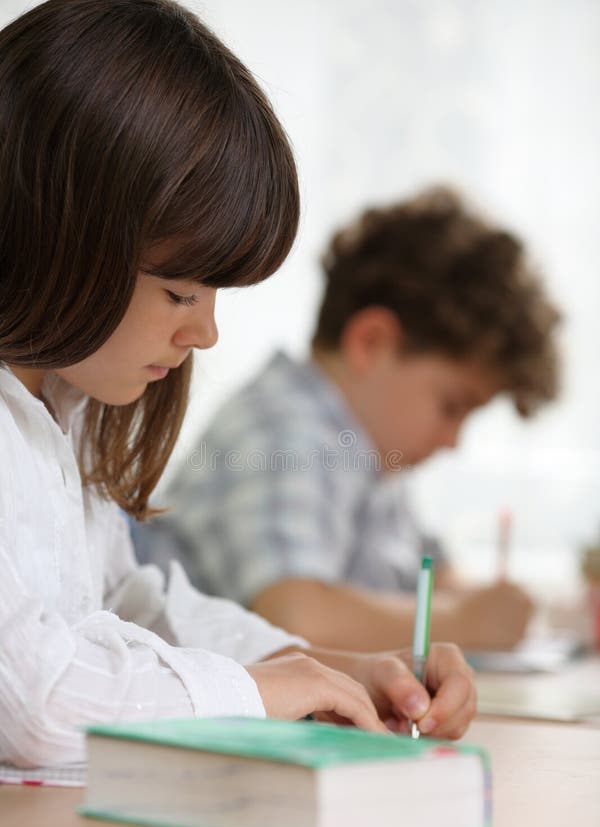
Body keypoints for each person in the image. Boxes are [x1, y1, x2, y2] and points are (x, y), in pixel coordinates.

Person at [0, 0, 476, 768]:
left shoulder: (67, 408)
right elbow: (32, 699)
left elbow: (127, 606)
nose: (205, 333)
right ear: (59, 235)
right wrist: (252, 693)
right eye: (182, 293)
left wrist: (315, 671)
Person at [136, 187, 561, 652]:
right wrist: (462, 623)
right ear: (371, 343)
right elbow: (296, 615)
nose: (454, 440)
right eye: (452, 406)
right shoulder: (288, 430)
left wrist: (485, 605)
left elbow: (433, 581)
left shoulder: (372, 457)